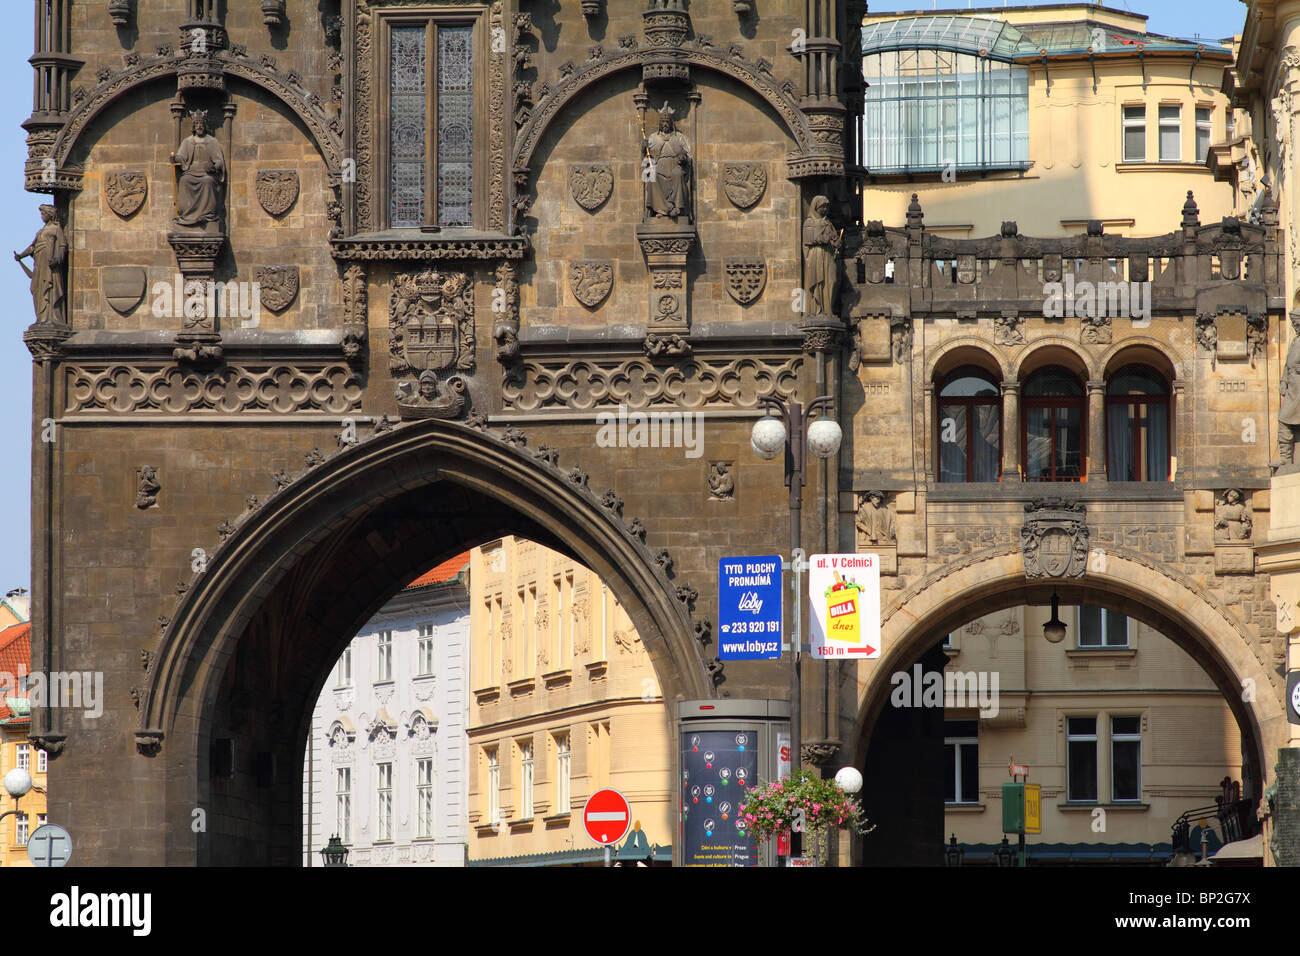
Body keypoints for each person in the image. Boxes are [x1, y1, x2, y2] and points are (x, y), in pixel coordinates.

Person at [172, 110, 225, 229]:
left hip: (206, 172)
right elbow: (181, 156)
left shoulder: (212, 141)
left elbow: (219, 161)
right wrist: (176, 159)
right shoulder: (188, 141)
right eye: (197, 124)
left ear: (205, 126)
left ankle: (207, 215)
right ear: (194, 126)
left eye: (201, 124)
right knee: (184, 181)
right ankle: (187, 216)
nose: (199, 126)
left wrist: (214, 167)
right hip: (191, 171)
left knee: (208, 181)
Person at [14, 204, 67, 325]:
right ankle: (41, 317)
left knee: (48, 288)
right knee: (35, 288)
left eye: (43, 214)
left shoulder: (56, 229)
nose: (41, 217)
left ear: (49, 215)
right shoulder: (41, 231)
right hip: (39, 263)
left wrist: (57, 259)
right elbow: (33, 247)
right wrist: (21, 255)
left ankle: (50, 317)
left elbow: (63, 245)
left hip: (49, 264)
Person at [644, 103, 691, 221]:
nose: (665, 124)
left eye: (667, 122)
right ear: (660, 123)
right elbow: (647, 160)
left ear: (671, 123)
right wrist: (644, 149)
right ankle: (664, 209)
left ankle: (677, 208)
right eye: (663, 122)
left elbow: (688, 155)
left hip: (674, 167)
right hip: (659, 168)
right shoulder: (653, 138)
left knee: (678, 174)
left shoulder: (679, 137)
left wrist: (683, 157)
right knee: (651, 177)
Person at [803, 195, 839, 315]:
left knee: (832, 280)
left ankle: (828, 309)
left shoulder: (828, 223)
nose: (824, 210)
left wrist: (837, 242)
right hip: (816, 254)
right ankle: (816, 310)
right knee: (817, 281)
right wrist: (823, 238)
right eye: (822, 207)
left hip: (827, 254)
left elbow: (834, 238)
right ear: (815, 207)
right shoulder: (809, 222)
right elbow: (809, 239)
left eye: (826, 207)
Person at [1280, 312, 1300, 465]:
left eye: (1297, 323)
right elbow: (1288, 364)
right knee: (1284, 420)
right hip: (1292, 387)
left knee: (1286, 420)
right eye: (1293, 324)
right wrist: (1283, 381)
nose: (1295, 326)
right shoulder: (1295, 341)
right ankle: (1286, 459)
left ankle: (1287, 459)